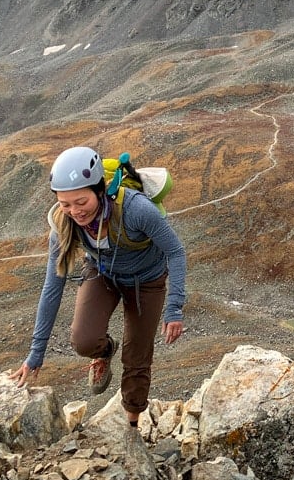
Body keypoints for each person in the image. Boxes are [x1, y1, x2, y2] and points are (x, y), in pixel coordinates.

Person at [9, 145, 186, 429]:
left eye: (81, 202)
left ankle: (131, 426)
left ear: (99, 190)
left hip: (146, 281)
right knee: (83, 340)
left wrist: (174, 308)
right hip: (103, 273)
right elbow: (52, 288)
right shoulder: (62, 224)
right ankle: (104, 352)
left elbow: (176, 252)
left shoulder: (136, 210)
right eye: (65, 204)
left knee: (137, 357)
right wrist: (35, 354)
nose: (74, 211)